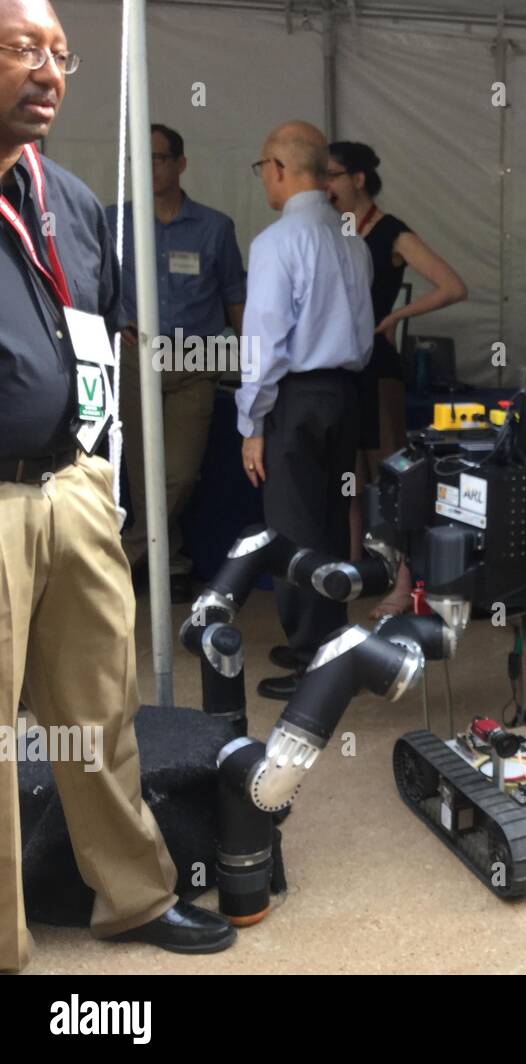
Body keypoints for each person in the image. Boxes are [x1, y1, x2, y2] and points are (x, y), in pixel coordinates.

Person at [0, 0, 233, 972]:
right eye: (23, 48)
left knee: (100, 708)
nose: (49, 71)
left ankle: (132, 895)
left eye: (61, 53)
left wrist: (98, 475)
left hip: (75, 488)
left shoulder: (79, 203)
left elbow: (97, 339)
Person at [237, 121, 374, 700]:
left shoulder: (276, 243)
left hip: (296, 397)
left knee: (291, 529)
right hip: (345, 392)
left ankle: (311, 660)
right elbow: (364, 333)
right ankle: (331, 641)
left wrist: (251, 422)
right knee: (328, 519)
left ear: (278, 168)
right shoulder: (352, 238)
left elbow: (263, 344)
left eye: (262, 168)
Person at [323, 140, 467, 620]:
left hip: (378, 370)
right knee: (347, 481)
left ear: (358, 179)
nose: (325, 186)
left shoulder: (391, 233)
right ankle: (350, 573)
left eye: (332, 175)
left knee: (393, 481)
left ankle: (404, 581)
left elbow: (452, 285)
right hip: (338, 367)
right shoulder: (328, 228)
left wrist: (397, 315)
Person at [112, 122, 246, 601]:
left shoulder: (214, 227)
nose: (146, 169)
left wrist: (251, 364)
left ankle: (125, 555)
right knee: (142, 473)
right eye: (138, 160)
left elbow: (235, 299)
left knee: (181, 473)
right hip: (134, 357)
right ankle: (171, 562)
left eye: (157, 158)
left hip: (195, 356)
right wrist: (112, 320)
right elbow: (90, 288)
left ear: (180, 163)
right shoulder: (114, 222)